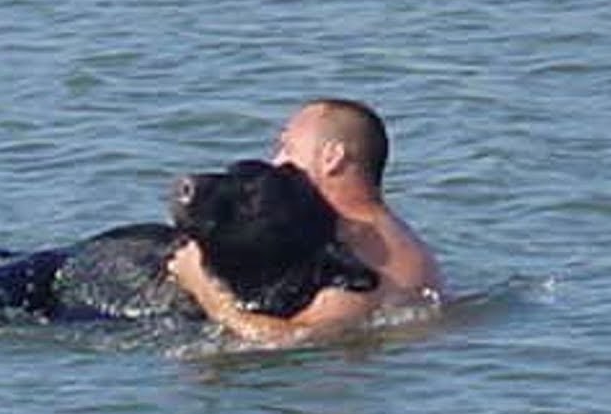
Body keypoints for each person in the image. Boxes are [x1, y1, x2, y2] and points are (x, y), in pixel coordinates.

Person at [168, 98, 446, 347]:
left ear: (332, 158)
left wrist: (204, 288)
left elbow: (292, 339)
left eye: (288, 149)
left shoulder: (364, 251)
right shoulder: (380, 232)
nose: (276, 163)